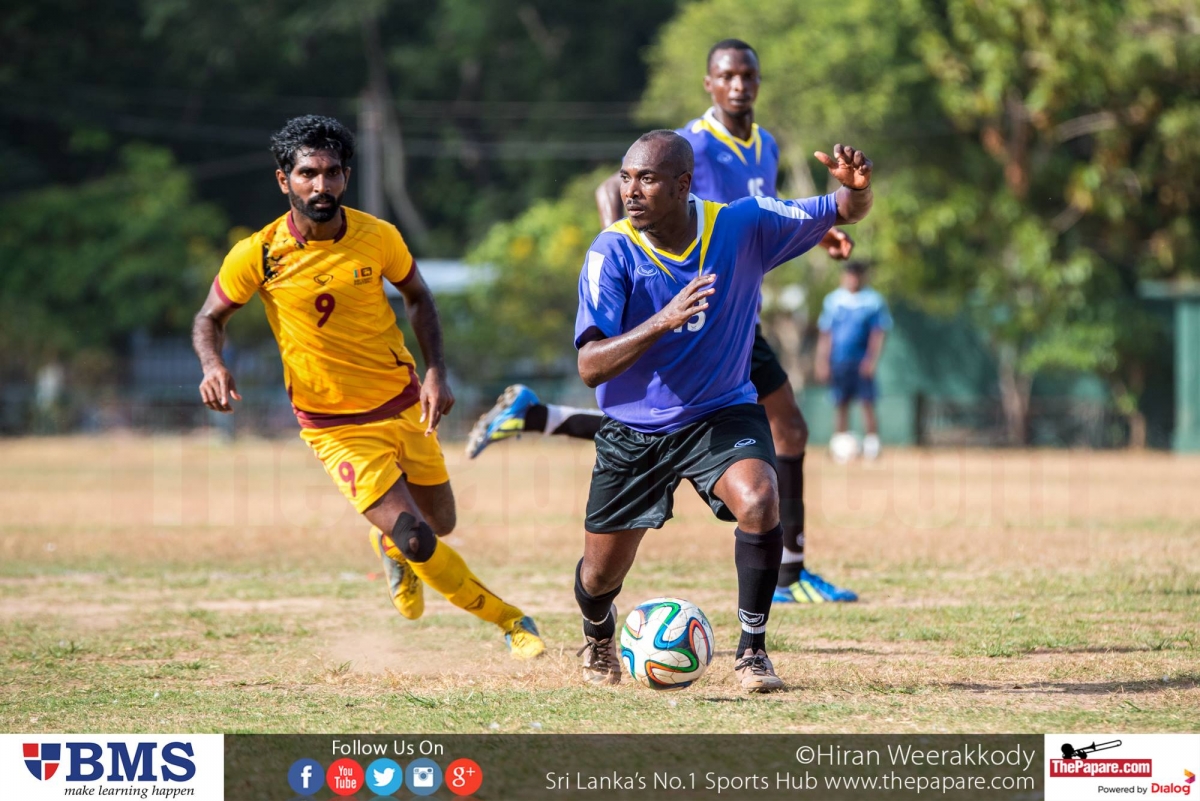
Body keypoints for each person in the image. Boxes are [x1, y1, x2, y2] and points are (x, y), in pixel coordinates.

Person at [466, 39, 857, 605]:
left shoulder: (766, 145)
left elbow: (765, 216)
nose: (740, 86)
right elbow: (613, 190)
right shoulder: (690, 143)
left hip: (727, 309)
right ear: (709, 84)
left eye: (749, 75)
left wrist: (820, 232)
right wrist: (627, 254)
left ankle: (789, 573)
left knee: (758, 428)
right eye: (728, 76)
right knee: (680, 419)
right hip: (688, 309)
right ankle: (790, 574)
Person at [191, 115, 545, 660]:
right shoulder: (257, 253)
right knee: (417, 539)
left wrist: (435, 372)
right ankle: (512, 621)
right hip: (334, 427)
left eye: (332, 172)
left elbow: (419, 297)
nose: (321, 185)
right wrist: (213, 365)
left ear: (346, 176)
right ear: (284, 180)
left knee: (441, 523)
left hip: (403, 403)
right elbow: (208, 319)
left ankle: (388, 543)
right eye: (307, 173)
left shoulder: (378, 236)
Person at [571, 130, 873, 692]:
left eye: (647, 179)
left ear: (684, 185)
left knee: (760, 498)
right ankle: (596, 635)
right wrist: (661, 320)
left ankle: (752, 654)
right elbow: (590, 365)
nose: (630, 191)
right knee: (599, 575)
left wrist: (856, 191)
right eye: (626, 177)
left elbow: (843, 209)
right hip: (635, 430)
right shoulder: (609, 252)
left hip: (720, 412)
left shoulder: (742, 223)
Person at [816, 261, 892, 461]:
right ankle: (840, 445)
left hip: (861, 361)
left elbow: (878, 333)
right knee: (841, 402)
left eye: (857, 274)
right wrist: (822, 361)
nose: (853, 278)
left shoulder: (873, 301)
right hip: (839, 361)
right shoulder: (833, 300)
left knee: (867, 402)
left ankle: (872, 445)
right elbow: (826, 333)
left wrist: (872, 360)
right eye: (850, 274)